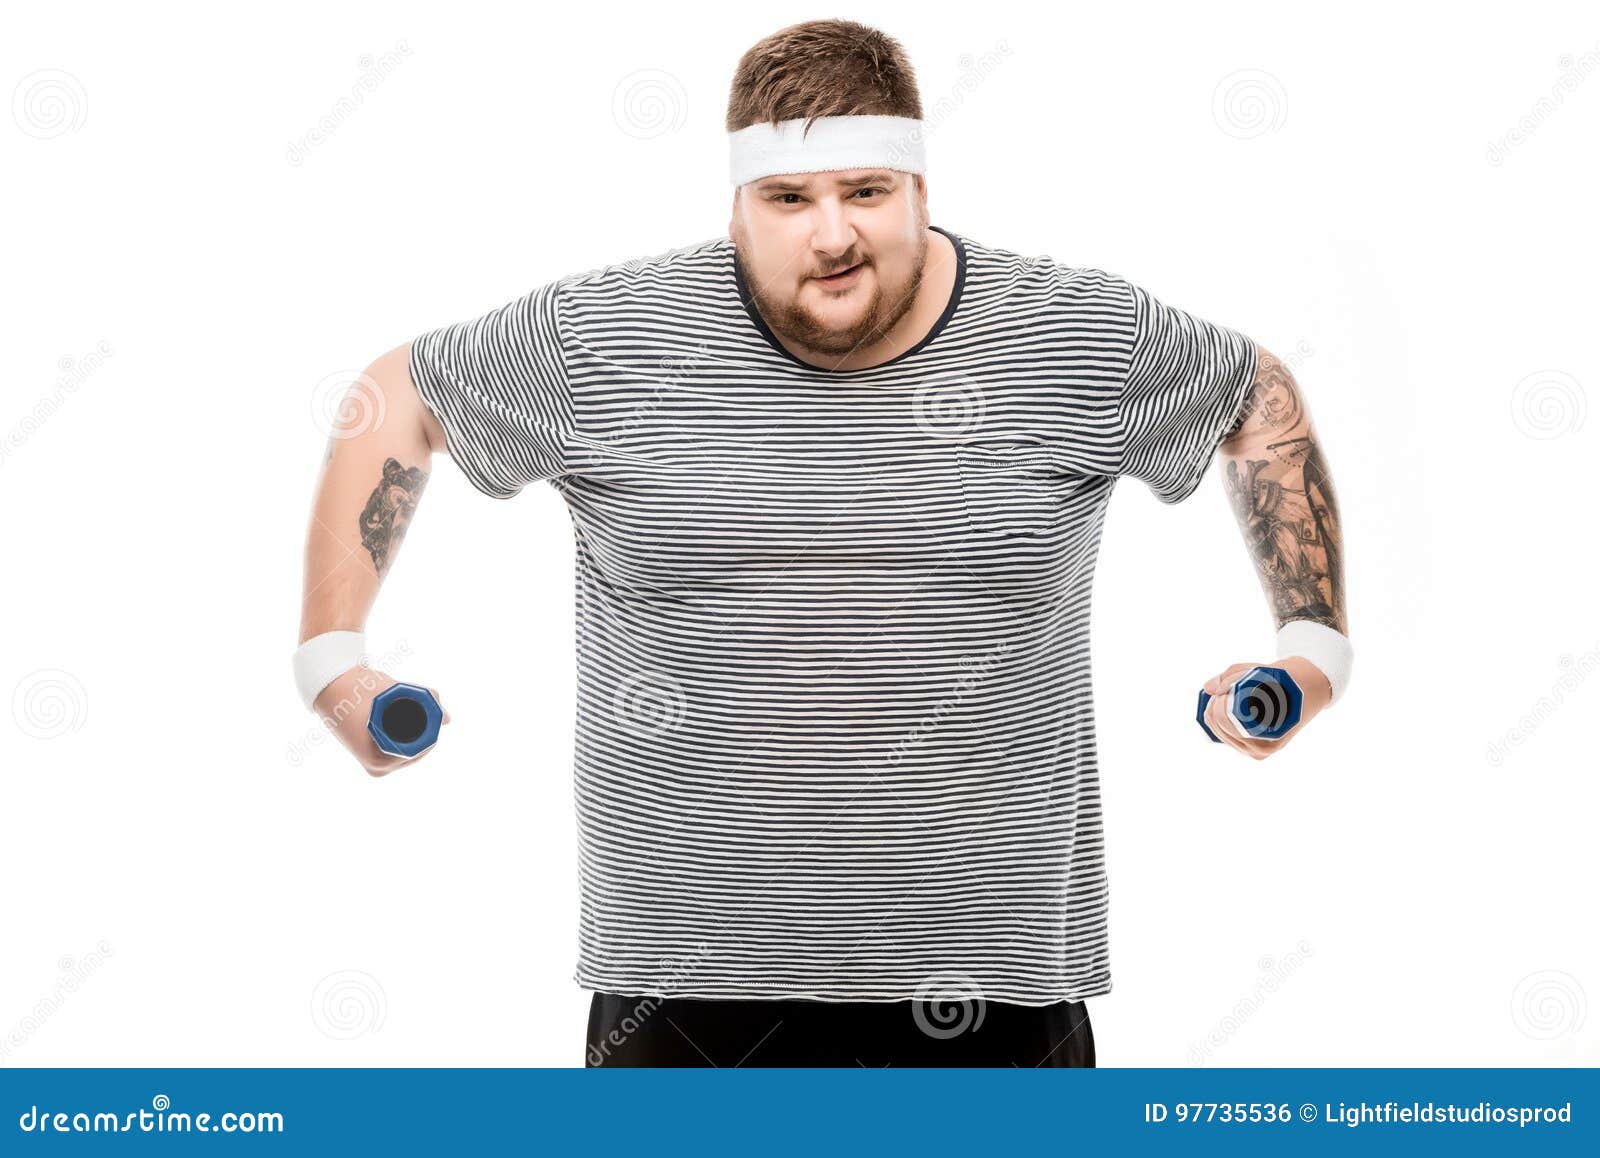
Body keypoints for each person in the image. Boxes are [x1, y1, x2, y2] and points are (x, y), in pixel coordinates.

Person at [295, 19, 1350, 1068]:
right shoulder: (611, 339)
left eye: (866, 192)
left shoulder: (1068, 336)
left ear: (922, 192)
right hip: (681, 987)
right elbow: (400, 396)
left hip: (994, 983)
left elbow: (1253, 400)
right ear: (738, 205)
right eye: (789, 199)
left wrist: (1312, 646)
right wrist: (332, 657)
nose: (830, 234)